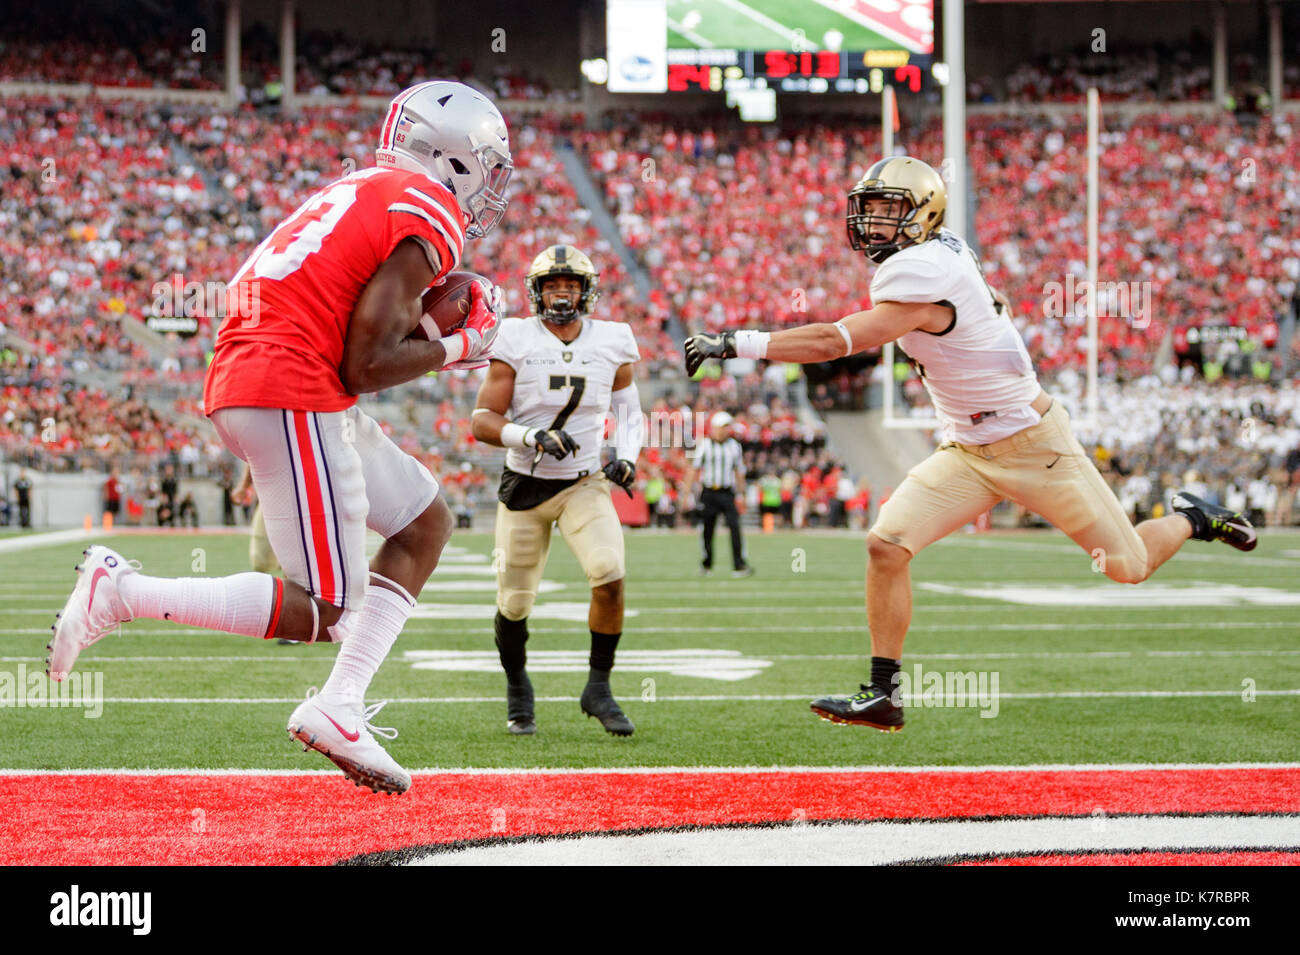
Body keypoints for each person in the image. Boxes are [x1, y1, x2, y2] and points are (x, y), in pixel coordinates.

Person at [47, 81, 512, 793]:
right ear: (451, 157)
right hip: (291, 383)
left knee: (424, 522)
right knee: (326, 608)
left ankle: (341, 704)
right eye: (487, 165)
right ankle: (123, 591)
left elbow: (341, 322)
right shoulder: (427, 204)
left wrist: (423, 329)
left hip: (272, 375)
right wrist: (458, 345)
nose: (490, 185)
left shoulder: (363, 187)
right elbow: (366, 364)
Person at [684, 155, 1256, 733]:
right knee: (886, 545)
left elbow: (834, 342)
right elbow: (979, 295)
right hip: (968, 450)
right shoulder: (940, 252)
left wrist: (735, 342)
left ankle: (1195, 518)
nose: (871, 223)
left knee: (1129, 566)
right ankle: (883, 694)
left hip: (1034, 446)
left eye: (886, 211)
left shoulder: (920, 272)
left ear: (923, 214)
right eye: (869, 210)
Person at [471, 245, 643, 736]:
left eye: (570, 285)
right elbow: (482, 420)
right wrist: (531, 436)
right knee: (515, 603)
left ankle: (598, 687)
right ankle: (517, 685)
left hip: (583, 482)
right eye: (552, 285)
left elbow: (630, 413)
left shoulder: (612, 339)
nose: (561, 293)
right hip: (525, 488)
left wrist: (627, 456)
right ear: (537, 292)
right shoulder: (516, 336)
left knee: (609, 572)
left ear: (586, 292)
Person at [689, 412, 753, 577]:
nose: (725, 430)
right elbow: (694, 469)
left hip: (727, 492)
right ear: (715, 428)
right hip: (709, 492)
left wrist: (742, 494)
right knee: (707, 530)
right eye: (723, 427)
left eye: (727, 427)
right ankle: (707, 564)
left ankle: (739, 564)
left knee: (735, 527)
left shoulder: (734, 446)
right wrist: (686, 493)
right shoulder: (705, 445)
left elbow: (739, 472)